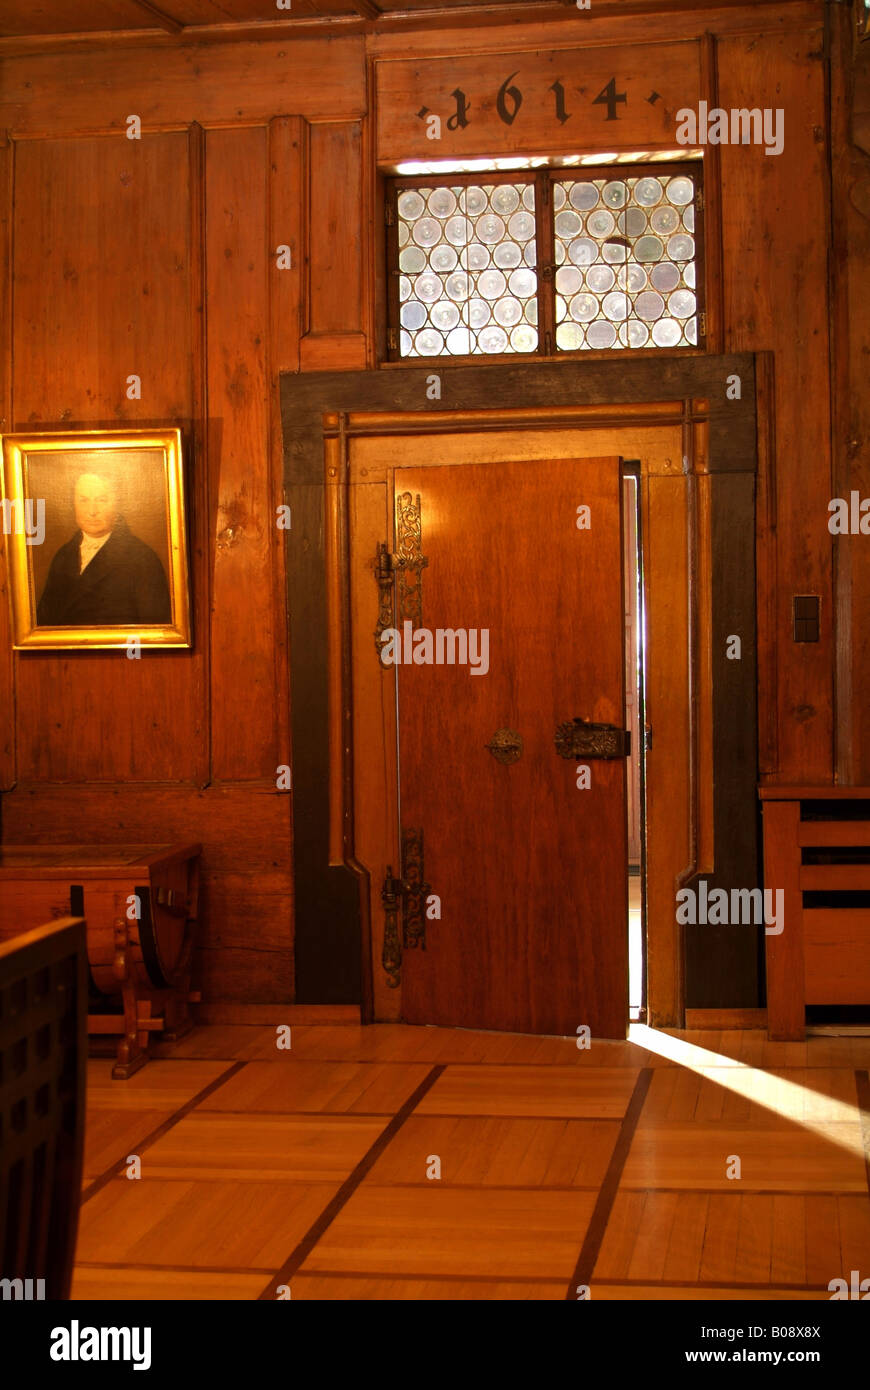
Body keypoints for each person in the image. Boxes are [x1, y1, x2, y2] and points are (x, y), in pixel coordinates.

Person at [36, 472, 172, 626]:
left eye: (102, 500)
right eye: (84, 500)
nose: (92, 511)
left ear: (118, 505)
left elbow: (155, 630)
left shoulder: (143, 559)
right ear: (73, 504)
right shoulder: (63, 556)